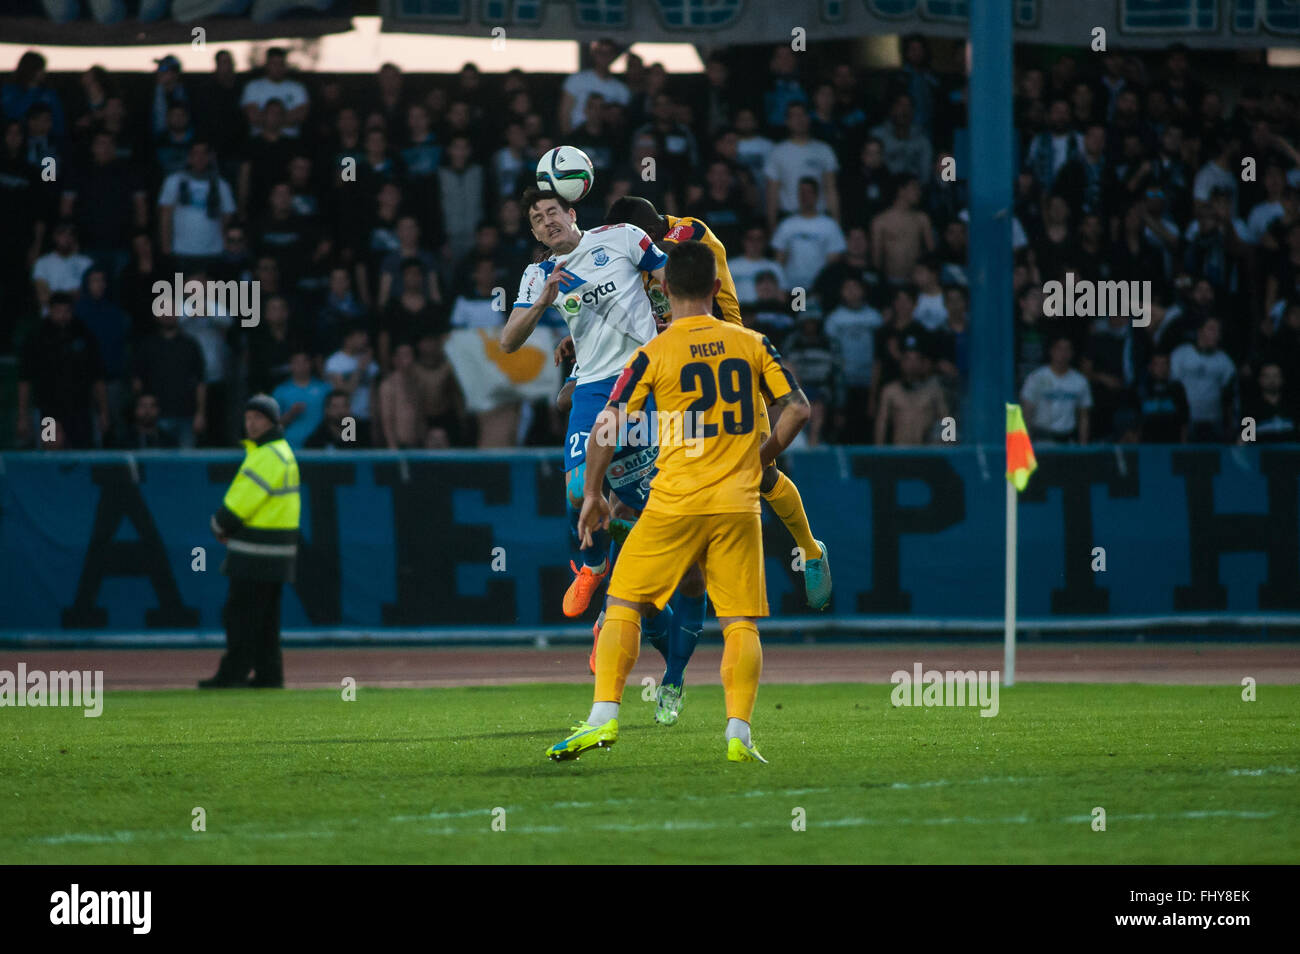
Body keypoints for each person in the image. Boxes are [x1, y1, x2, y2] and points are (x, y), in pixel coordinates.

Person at [547, 241, 811, 764]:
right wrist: (763, 456)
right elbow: (798, 410)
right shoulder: (753, 343)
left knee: (622, 600)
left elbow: (607, 422)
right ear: (717, 289)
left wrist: (594, 493)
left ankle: (603, 719)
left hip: (672, 501)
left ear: (664, 288)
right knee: (739, 621)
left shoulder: (653, 353)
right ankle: (738, 732)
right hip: (737, 504)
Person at [500, 188, 668, 620]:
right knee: (579, 492)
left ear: (572, 212)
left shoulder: (622, 237)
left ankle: (636, 615)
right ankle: (594, 567)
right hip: (593, 386)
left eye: (552, 212)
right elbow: (508, 341)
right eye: (536, 219)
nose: (546, 222)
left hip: (645, 380)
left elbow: (668, 282)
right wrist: (543, 302)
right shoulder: (539, 274)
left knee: (637, 510)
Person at [201, 395, 301, 689]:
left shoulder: (266, 454)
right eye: (248, 418)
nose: (251, 423)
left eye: (258, 418)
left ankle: (232, 674)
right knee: (266, 620)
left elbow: (242, 502)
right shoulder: (280, 451)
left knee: (240, 616)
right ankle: (270, 675)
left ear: (272, 421)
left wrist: (219, 524)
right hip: (276, 550)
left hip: (256, 551)